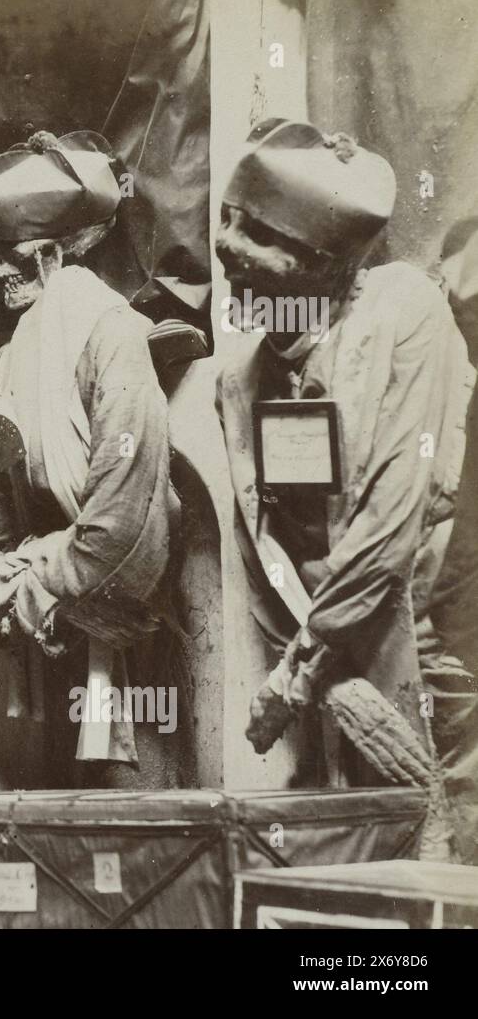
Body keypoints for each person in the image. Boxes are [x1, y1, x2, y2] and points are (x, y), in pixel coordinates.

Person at [214, 120, 474, 837]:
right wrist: (308, 670)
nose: (232, 253)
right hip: (327, 675)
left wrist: (296, 675)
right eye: (227, 225)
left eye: (261, 239)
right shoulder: (238, 380)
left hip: (424, 644)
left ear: (326, 265)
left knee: (441, 848)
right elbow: (264, 543)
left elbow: (391, 524)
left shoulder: (405, 316)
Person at [0, 131, 188, 788]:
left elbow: (117, 536)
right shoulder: (6, 367)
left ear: (52, 255)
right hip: (33, 655)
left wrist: (18, 578)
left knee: (133, 849)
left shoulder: (116, 341)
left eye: (11, 258)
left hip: (128, 659)